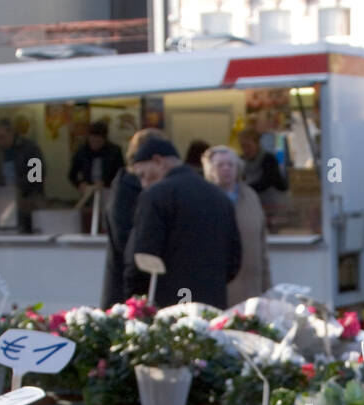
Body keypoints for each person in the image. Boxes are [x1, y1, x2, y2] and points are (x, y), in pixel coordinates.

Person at [123, 133, 241, 309]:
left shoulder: (155, 195)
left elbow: (142, 256)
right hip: (212, 300)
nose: (143, 183)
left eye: (143, 174)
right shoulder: (219, 197)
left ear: (158, 161)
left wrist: (135, 301)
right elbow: (234, 258)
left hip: (169, 303)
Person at [101, 128, 162, 308]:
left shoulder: (129, 186)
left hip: (139, 281)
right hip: (128, 284)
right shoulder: (125, 187)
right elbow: (123, 237)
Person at [203, 144, 271, 304]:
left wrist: (267, 286)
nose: (226, 169)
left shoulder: (251, 196)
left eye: (230, 164)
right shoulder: (204, 197)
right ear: (210, 170)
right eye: (220, 165)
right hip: (218, 285)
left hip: (251, 282)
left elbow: (262, 244)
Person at [0, 118, 45, 234]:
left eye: (2, 137)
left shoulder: (30, 148)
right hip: (7, 202)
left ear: (11, 133)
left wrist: (19, 188)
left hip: (29, 199)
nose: (0, 141)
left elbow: (37, 175)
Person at [69, 120, 125, 195]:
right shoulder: (82, 152)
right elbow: (72, 175)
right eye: (92, 141)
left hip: (110, 191)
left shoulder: (114, 152)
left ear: (104, 139)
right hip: (88, 191)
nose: (95, 144)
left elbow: (121, 173)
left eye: (98, 141)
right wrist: (79, 184)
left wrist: (106, 183)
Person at [238, 128, 287, 204]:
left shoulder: (269, 159)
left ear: (257, 144)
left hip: (275, 202)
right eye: (243, 146)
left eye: (248, 146)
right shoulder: (240, 160)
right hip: (254, 201)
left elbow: (266, 182)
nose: (246, 150)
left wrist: (244, 189)